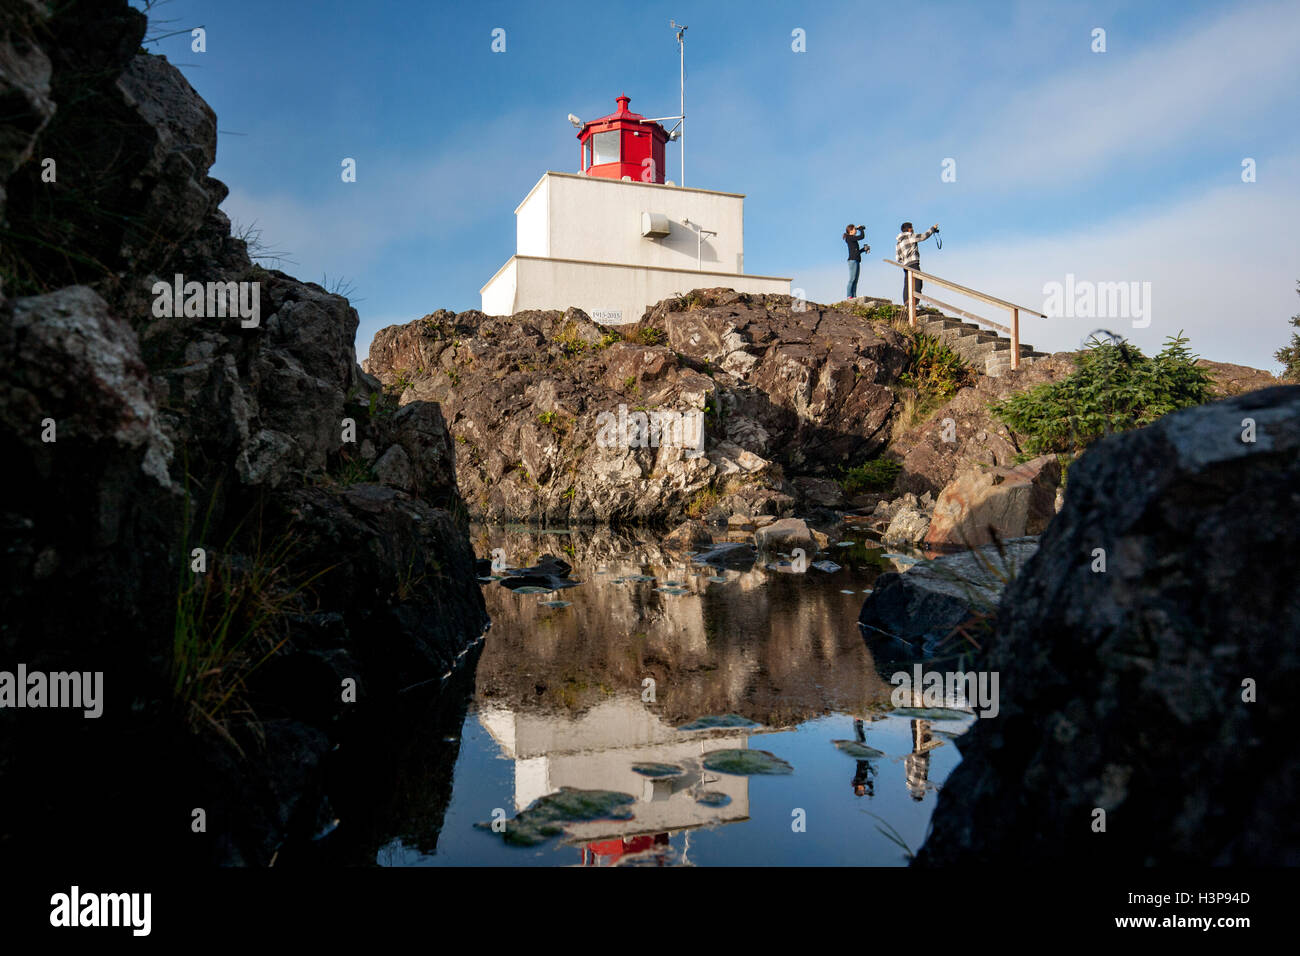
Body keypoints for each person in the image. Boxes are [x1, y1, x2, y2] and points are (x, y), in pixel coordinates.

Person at [895, 221, 938, 309]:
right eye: (912, 227)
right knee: (918, 283)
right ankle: (914, 304)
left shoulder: (898, 243)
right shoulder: (910, 236)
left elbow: (897, 258)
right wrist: (932, 229)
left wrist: (905, 259)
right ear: (909, 229)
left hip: (905, 265)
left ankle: (907, 305)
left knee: (907, 284)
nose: (913, 229)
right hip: (913, 263)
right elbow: (923, 236)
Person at [843, 224, 869, 298]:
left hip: (856, 260)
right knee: (852, 279)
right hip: (852, 261)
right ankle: (849, 295)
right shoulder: (849, 238)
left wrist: (863, 249)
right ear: (850, 231)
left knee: (855, 280)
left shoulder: (852, 239)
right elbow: (862, 237)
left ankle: (854, 296)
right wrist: (861, 229)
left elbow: (856, 252)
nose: (856, 230)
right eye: (855, 229)